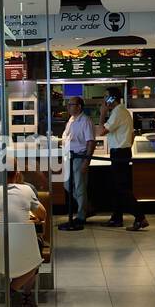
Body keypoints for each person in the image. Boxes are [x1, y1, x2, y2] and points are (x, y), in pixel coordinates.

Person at [0, 169, 47, 307]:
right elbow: (43, 214)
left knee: (21, 256)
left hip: (1, 249)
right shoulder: (27, 189)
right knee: (36, 260)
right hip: (24, 246)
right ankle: (15, 291)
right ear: (18, 174)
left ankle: (13, 293)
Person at [96, 87, 148, 231]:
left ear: (113, 98)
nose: (104, 99)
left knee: (122, 188)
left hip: (119, 153)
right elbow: (131, 136)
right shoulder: (122, 111)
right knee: (118, 188)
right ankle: (116, 218)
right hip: (123, 152)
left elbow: (101, 131)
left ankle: (140, 217)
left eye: (106, 96)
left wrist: (102, 113)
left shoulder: (117, 111)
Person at [59, 96, 95, 231]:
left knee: (80, 187)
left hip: (80, 157)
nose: (68, 107)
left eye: (71, 104)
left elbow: (91, 142)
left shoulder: (85, 121)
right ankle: (86, 206)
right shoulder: (71, 120)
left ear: (79, 106)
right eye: (67, 104)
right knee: (67, 185)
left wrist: (87, 161)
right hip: (69, 157)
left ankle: (81, 216)